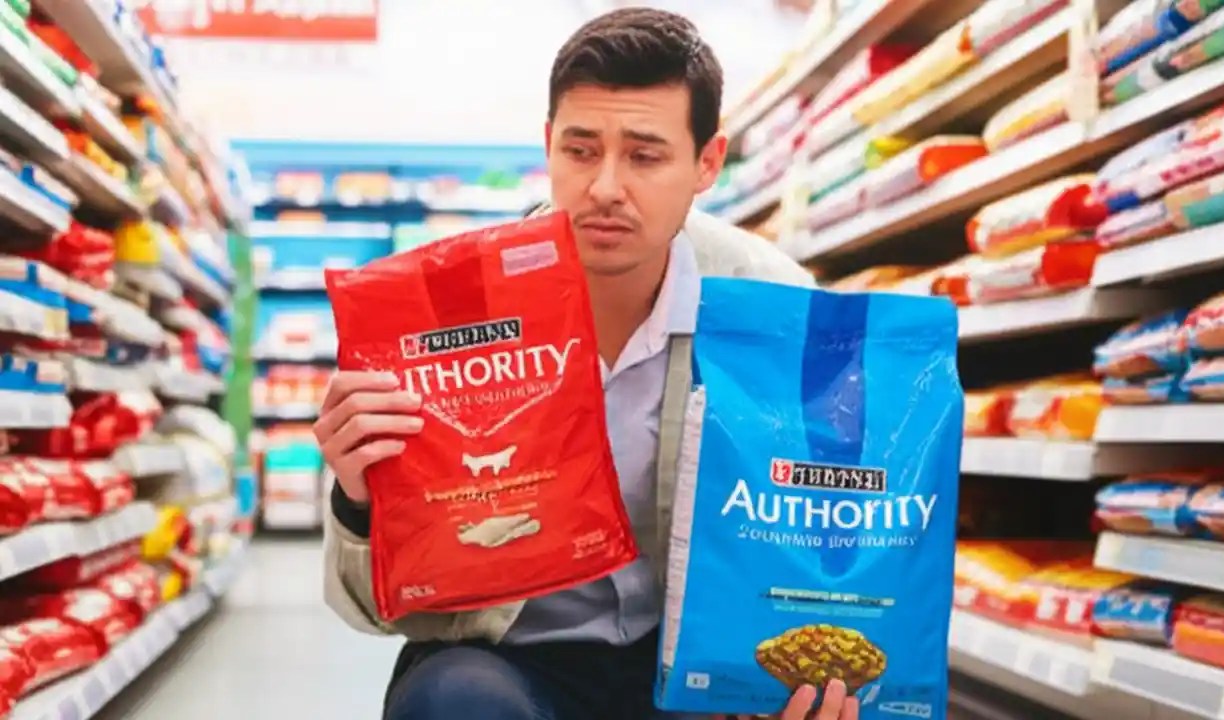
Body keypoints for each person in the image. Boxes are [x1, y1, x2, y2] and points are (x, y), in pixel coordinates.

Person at [316, 8, 858, 720]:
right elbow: (372, 611)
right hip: (508, 659)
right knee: (453, 703)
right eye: (580, 150)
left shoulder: (775, 304)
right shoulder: (448, 311)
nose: (605, 187)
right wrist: (359, 497)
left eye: (645, 156)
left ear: (707, 163)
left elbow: (816, 530)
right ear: (547, 145)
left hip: (693, 665)